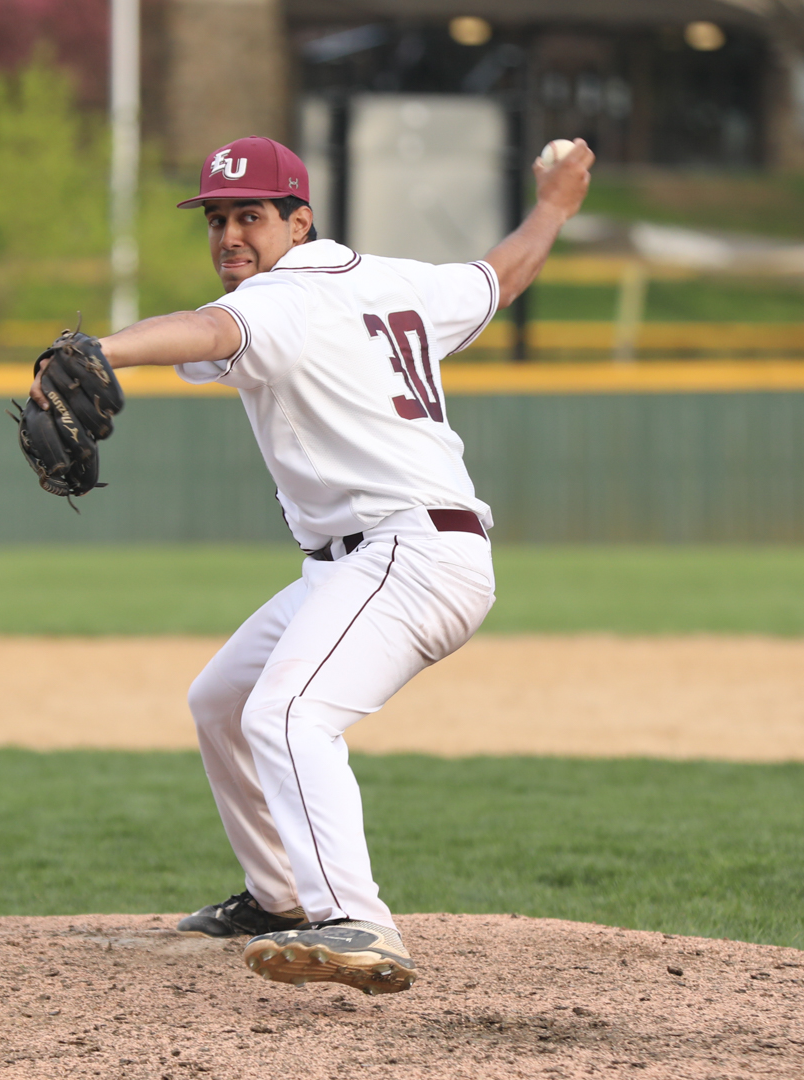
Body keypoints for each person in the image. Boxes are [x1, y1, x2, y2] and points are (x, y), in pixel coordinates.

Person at [33, 134, 593, 994]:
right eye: (217, 219)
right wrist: (554, 206)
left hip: (408, 553)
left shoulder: (281, 301)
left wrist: (101, 348)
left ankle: (358, 920)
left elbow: (213, 326)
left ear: (299, 219)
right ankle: (281, 898)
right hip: (366, 560)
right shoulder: (394, 280)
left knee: (287, 715)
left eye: (250, 216)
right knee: (220, 701)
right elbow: (500, 276)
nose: (229, 236)